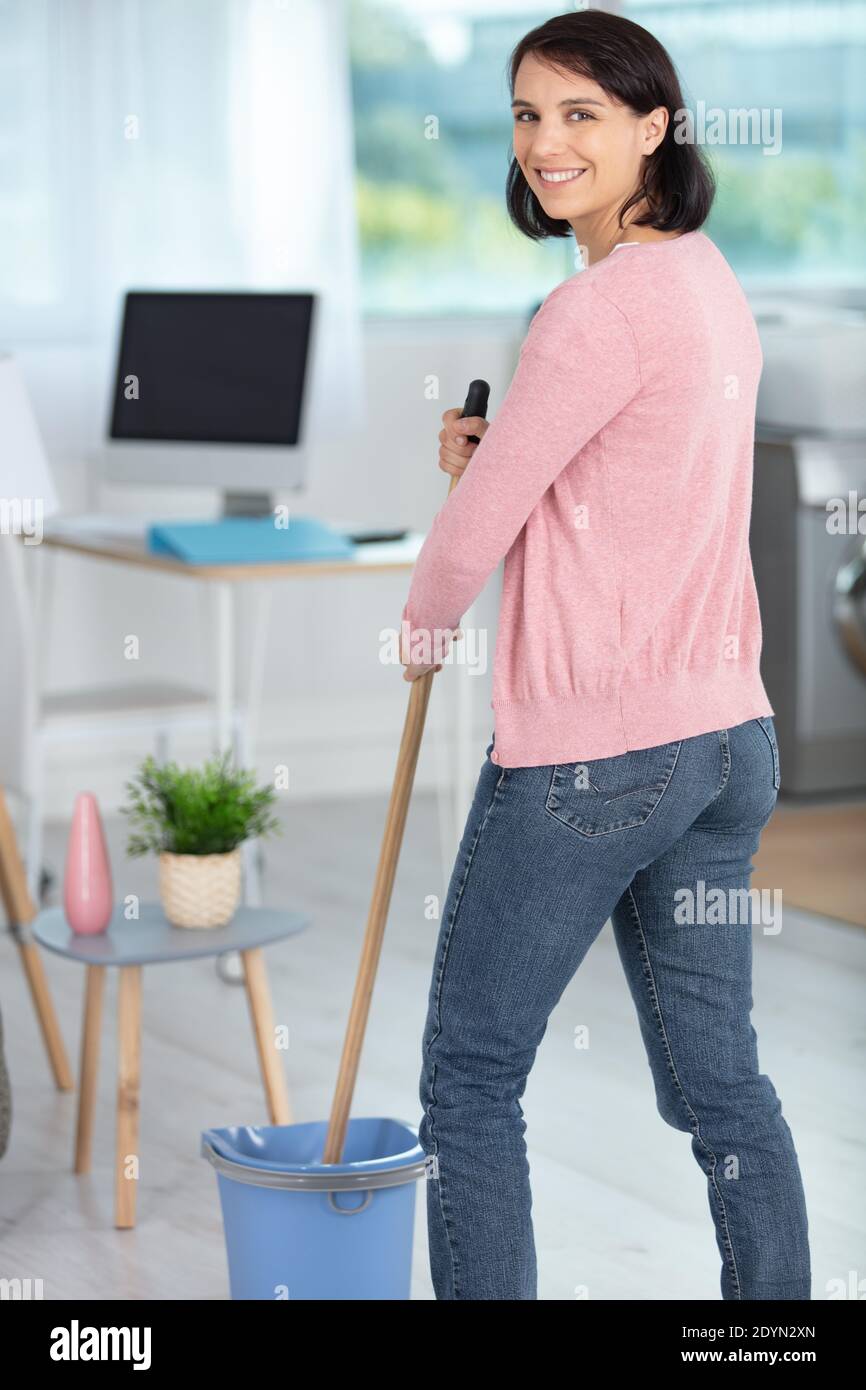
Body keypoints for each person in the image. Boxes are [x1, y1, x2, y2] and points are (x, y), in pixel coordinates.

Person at [398, 9, 810, 1300]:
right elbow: (615, 478)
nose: (543, 143)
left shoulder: (585, 315)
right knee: (719, 1082)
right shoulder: (705, 280)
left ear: (652, 128)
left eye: (580, 115)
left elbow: (473, 534)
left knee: (467, 1076)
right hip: (723, 742)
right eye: (526, 115)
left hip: (593, 756)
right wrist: (502, 452)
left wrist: (417, 625)